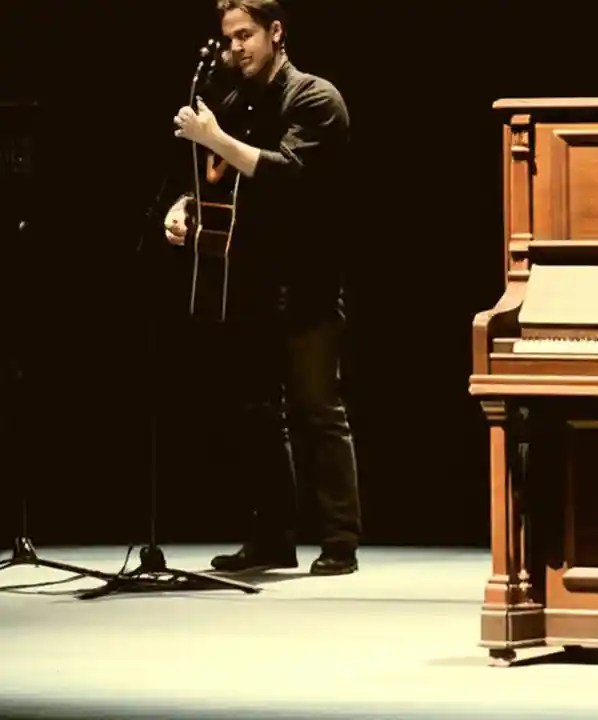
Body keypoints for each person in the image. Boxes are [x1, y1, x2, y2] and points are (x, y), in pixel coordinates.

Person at [164, 0, 360, 575]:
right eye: (228, 40)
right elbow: (208, 179)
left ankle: (341, 541)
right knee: (255, 411)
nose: (235, 49)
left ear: (275, 32)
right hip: (248, 280)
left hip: (309, 281)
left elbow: (286, 173)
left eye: (245, 35)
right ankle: (273, 536)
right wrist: (182, 209)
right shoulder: (233, 102)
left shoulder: (316, 98)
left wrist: (214, 137)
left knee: (317, 409)